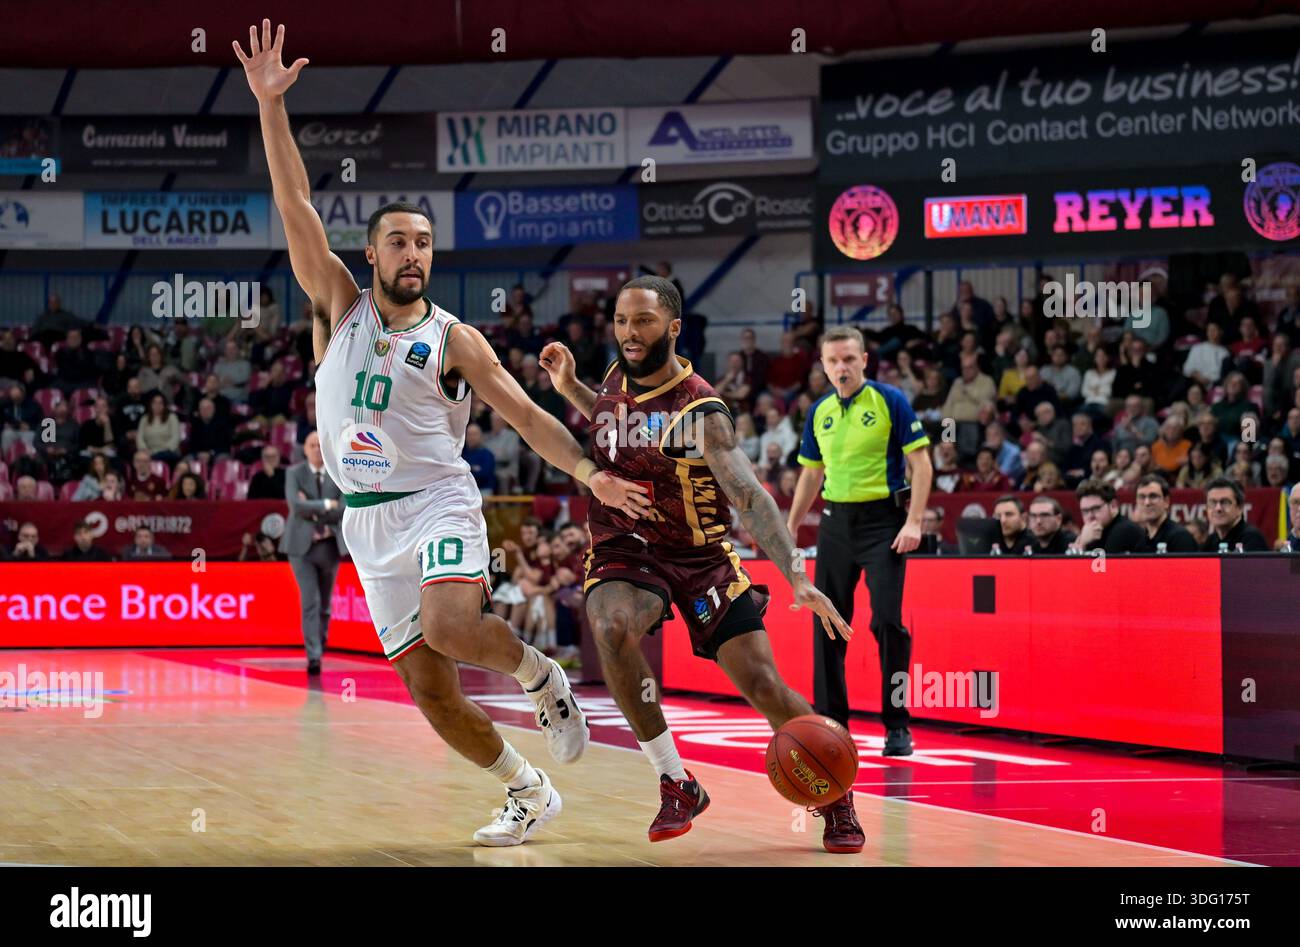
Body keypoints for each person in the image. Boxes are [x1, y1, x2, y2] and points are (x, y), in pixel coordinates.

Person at [237, 20, 647, 848]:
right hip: (364, 517)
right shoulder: (336, 306)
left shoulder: (456, 337)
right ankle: (525, 790)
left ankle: (542, 676)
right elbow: (293, 203)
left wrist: (589, 472)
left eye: (424, 241)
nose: (414, 252)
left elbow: (526, 416)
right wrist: (269, 107)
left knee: (456, 626)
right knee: (430, 688)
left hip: (437, 502)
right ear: (372, 251)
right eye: (399, 241)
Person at [540, 277, 857, 852]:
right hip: (627, 546)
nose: (629, 334)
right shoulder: (615, 376)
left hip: (700, 556)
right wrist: (570, 388)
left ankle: (835, 795)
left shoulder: (700, 410)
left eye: (643, 322)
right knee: (610, 624)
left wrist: (797, 576)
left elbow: (750, 497)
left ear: (674, 327)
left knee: (762, 684)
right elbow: (613, 418)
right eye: (621, 321)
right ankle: (675, 779)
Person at [784, 326, 932, 758]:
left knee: (887, 622)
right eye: (833, 361)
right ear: (824, 366)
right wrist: (790, 526)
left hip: (884, 524)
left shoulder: (890, 400)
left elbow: (921, 466)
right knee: (828, 622)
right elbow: (811, 473)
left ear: (865, 360)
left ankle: (897, 726)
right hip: (835, 525)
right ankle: (833, 725)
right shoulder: (819, 411)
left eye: (849, 359)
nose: (841, 367)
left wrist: (914, 522)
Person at [281, 432, 347, 673]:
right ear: (305, 449)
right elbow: (296, 507)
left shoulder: (339, 472)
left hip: (328, 546)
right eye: (312, 445)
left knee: (325, 605)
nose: (317, 449)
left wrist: (315, 508)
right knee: (311, 600)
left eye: (321, 445)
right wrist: (326, 505)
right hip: (300, 547)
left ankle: (321, 639)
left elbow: (344, 508)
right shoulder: (294, 473)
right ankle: (314, 656)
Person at [1070, 479, 1146, 553]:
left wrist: (1082, 545)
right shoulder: (1093, 533)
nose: (1090, 516)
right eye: (1085, 511)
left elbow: (1106, 565)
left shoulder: (1125, 530)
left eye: (1096, 509)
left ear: (1113, 506)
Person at [1202, 477, 1269, 552]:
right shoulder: (1210, 541)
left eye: (1225, 502)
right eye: (1213, 502)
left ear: (1239, 508)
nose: (1218, 508)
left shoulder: (1252, 539)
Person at [1133, 473, 1197, 553]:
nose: (1147, 503)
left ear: (1166, 501)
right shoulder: (1140, 541)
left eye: (1153, 496)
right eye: (1142, 497)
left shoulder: (1180, 538)